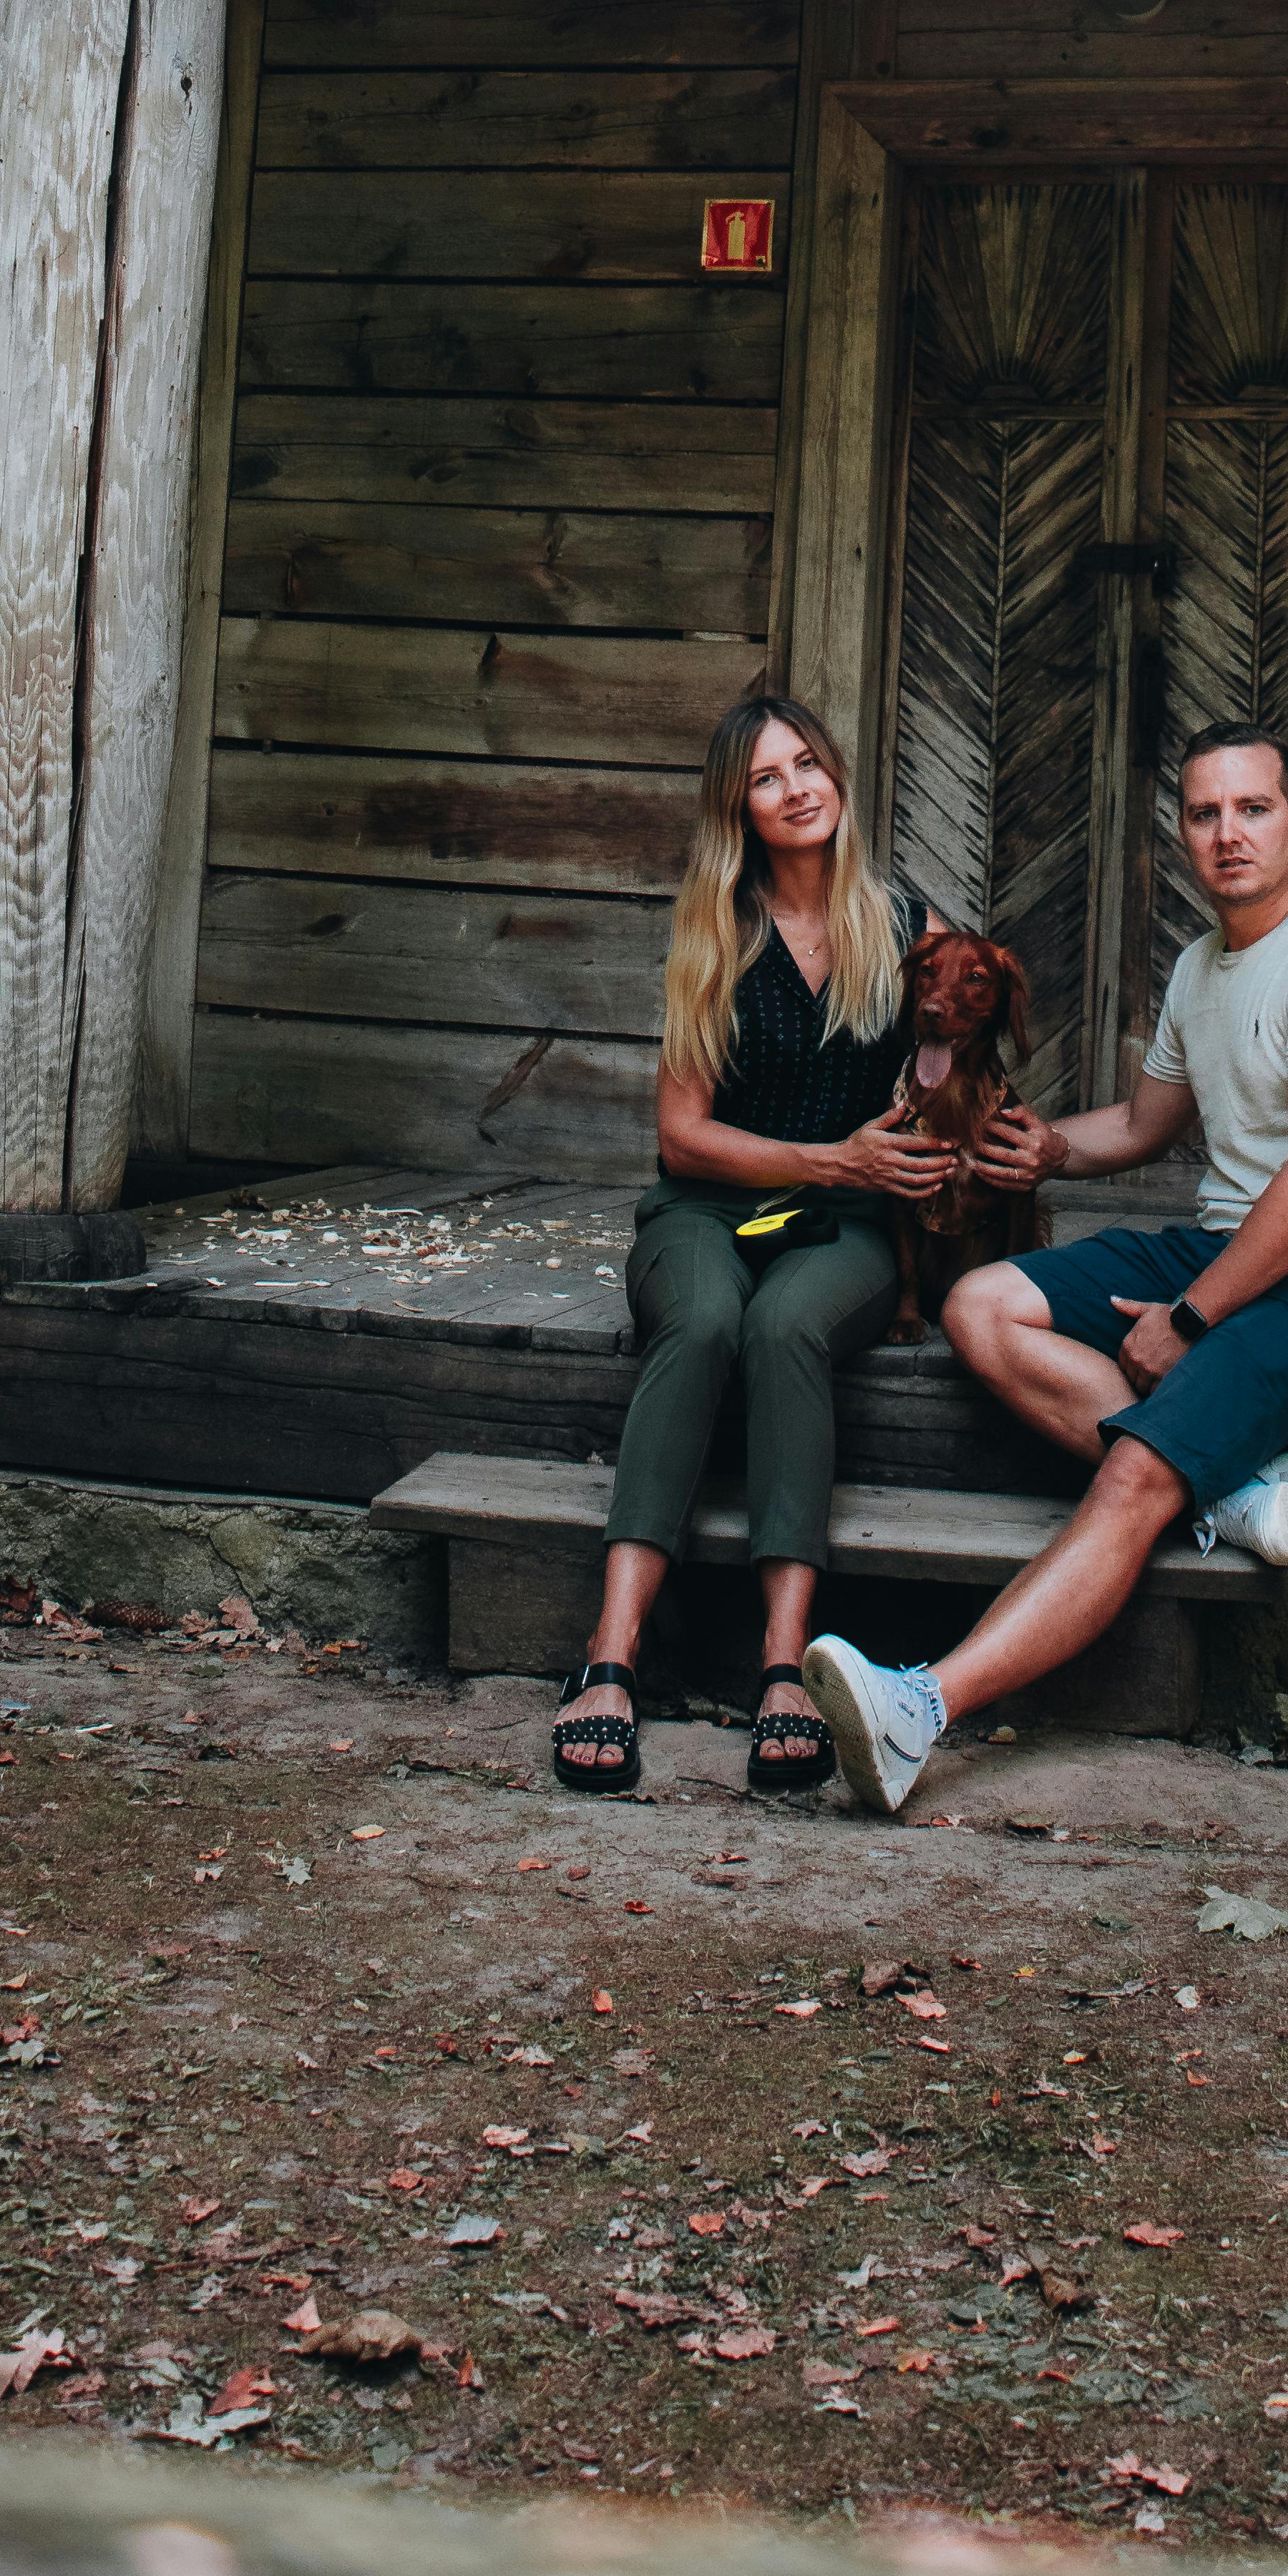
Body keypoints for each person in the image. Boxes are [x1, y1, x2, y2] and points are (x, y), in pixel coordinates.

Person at [799, 724, 1288, 1819]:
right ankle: (1235, 1477)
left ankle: (920, 1710)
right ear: (1184, 834)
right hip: (1230, 1242)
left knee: (1140, 1474)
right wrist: (1049, 1147)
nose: (1228, 833)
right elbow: (1144, 1126)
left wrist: (1191, 1319)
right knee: (981, 1301)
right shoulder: (1203, 967)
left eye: (1251, 809)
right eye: (1205, 813)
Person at [553, 695, 942, 1802]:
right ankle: (611, 1660)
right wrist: (831, 1161)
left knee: (783, 1325)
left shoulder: (903, 924)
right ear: (740, 807)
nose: (797, 787)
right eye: (768, 777)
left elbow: (963, 1059)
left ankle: (785, 1667)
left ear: (838, 777)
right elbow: (682, 1134)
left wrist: (984, 1143)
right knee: (710, 1316)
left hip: (853, 1227)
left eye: (809, 762)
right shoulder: (715, 930)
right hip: (710, 1211)